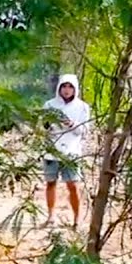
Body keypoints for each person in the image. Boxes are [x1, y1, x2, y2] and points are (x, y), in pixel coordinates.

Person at [42, 73, 90, 228]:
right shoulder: (50, 105)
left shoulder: (82, 107)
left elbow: (85, 130)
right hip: (52, 150)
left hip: (72, 151)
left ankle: (77, 219)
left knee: (73, 185)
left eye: (70, 87)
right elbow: (42, 126)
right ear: (59, 88)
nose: (67, 90)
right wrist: (49, 124)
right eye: (64, 86)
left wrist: (71, 124)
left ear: (75, 89)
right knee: (51, 183)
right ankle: (51, 216)